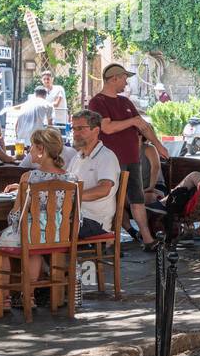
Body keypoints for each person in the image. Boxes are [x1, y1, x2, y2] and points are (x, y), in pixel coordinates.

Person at [89, 63, 167, 250]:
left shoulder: (125, 102)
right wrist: (132, 120)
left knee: (136, 199)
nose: (126, 82)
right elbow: (106, 127)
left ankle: (148, 239)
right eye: (124, 77)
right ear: (114, 78)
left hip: (133, 159)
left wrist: (158, 144)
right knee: (111, 200)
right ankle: (109, 241)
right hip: (111, 161)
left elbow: (143, 125)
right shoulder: (98, 102)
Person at [67, 110, 121, 239]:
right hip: (76, 217)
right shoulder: (77, 157)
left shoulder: (106, 156)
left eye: (80, 128)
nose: (75, 133)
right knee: (35, 222)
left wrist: (73, 197)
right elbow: (65, 183)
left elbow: (104, 189)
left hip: (94, 222)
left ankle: (56, 259)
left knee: (44, 228)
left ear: (96, 130)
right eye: (73, 128)